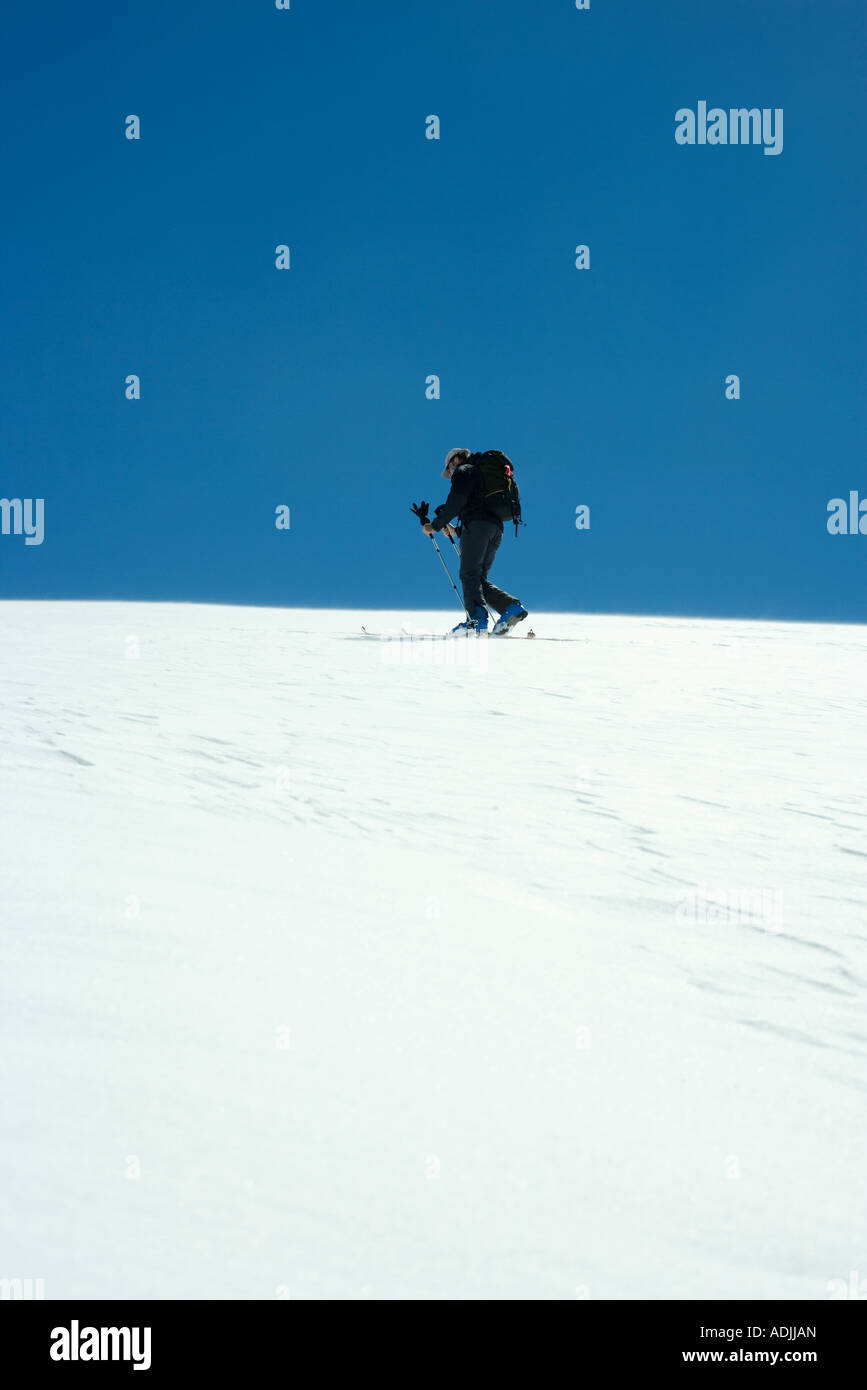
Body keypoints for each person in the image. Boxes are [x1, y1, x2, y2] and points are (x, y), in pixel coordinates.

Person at [422, 447, 528, 634]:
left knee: (469, 574)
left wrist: (435, 525)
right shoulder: (480, 474)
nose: (451, 472)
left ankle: (477, 620)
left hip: (478, 527)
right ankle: (511, 608)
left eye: (449, 468)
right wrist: (458, 531)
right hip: (495, 530)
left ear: (455, 461)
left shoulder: (464, 471)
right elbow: (480, 510)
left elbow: (456, 501)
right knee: (477, 579)